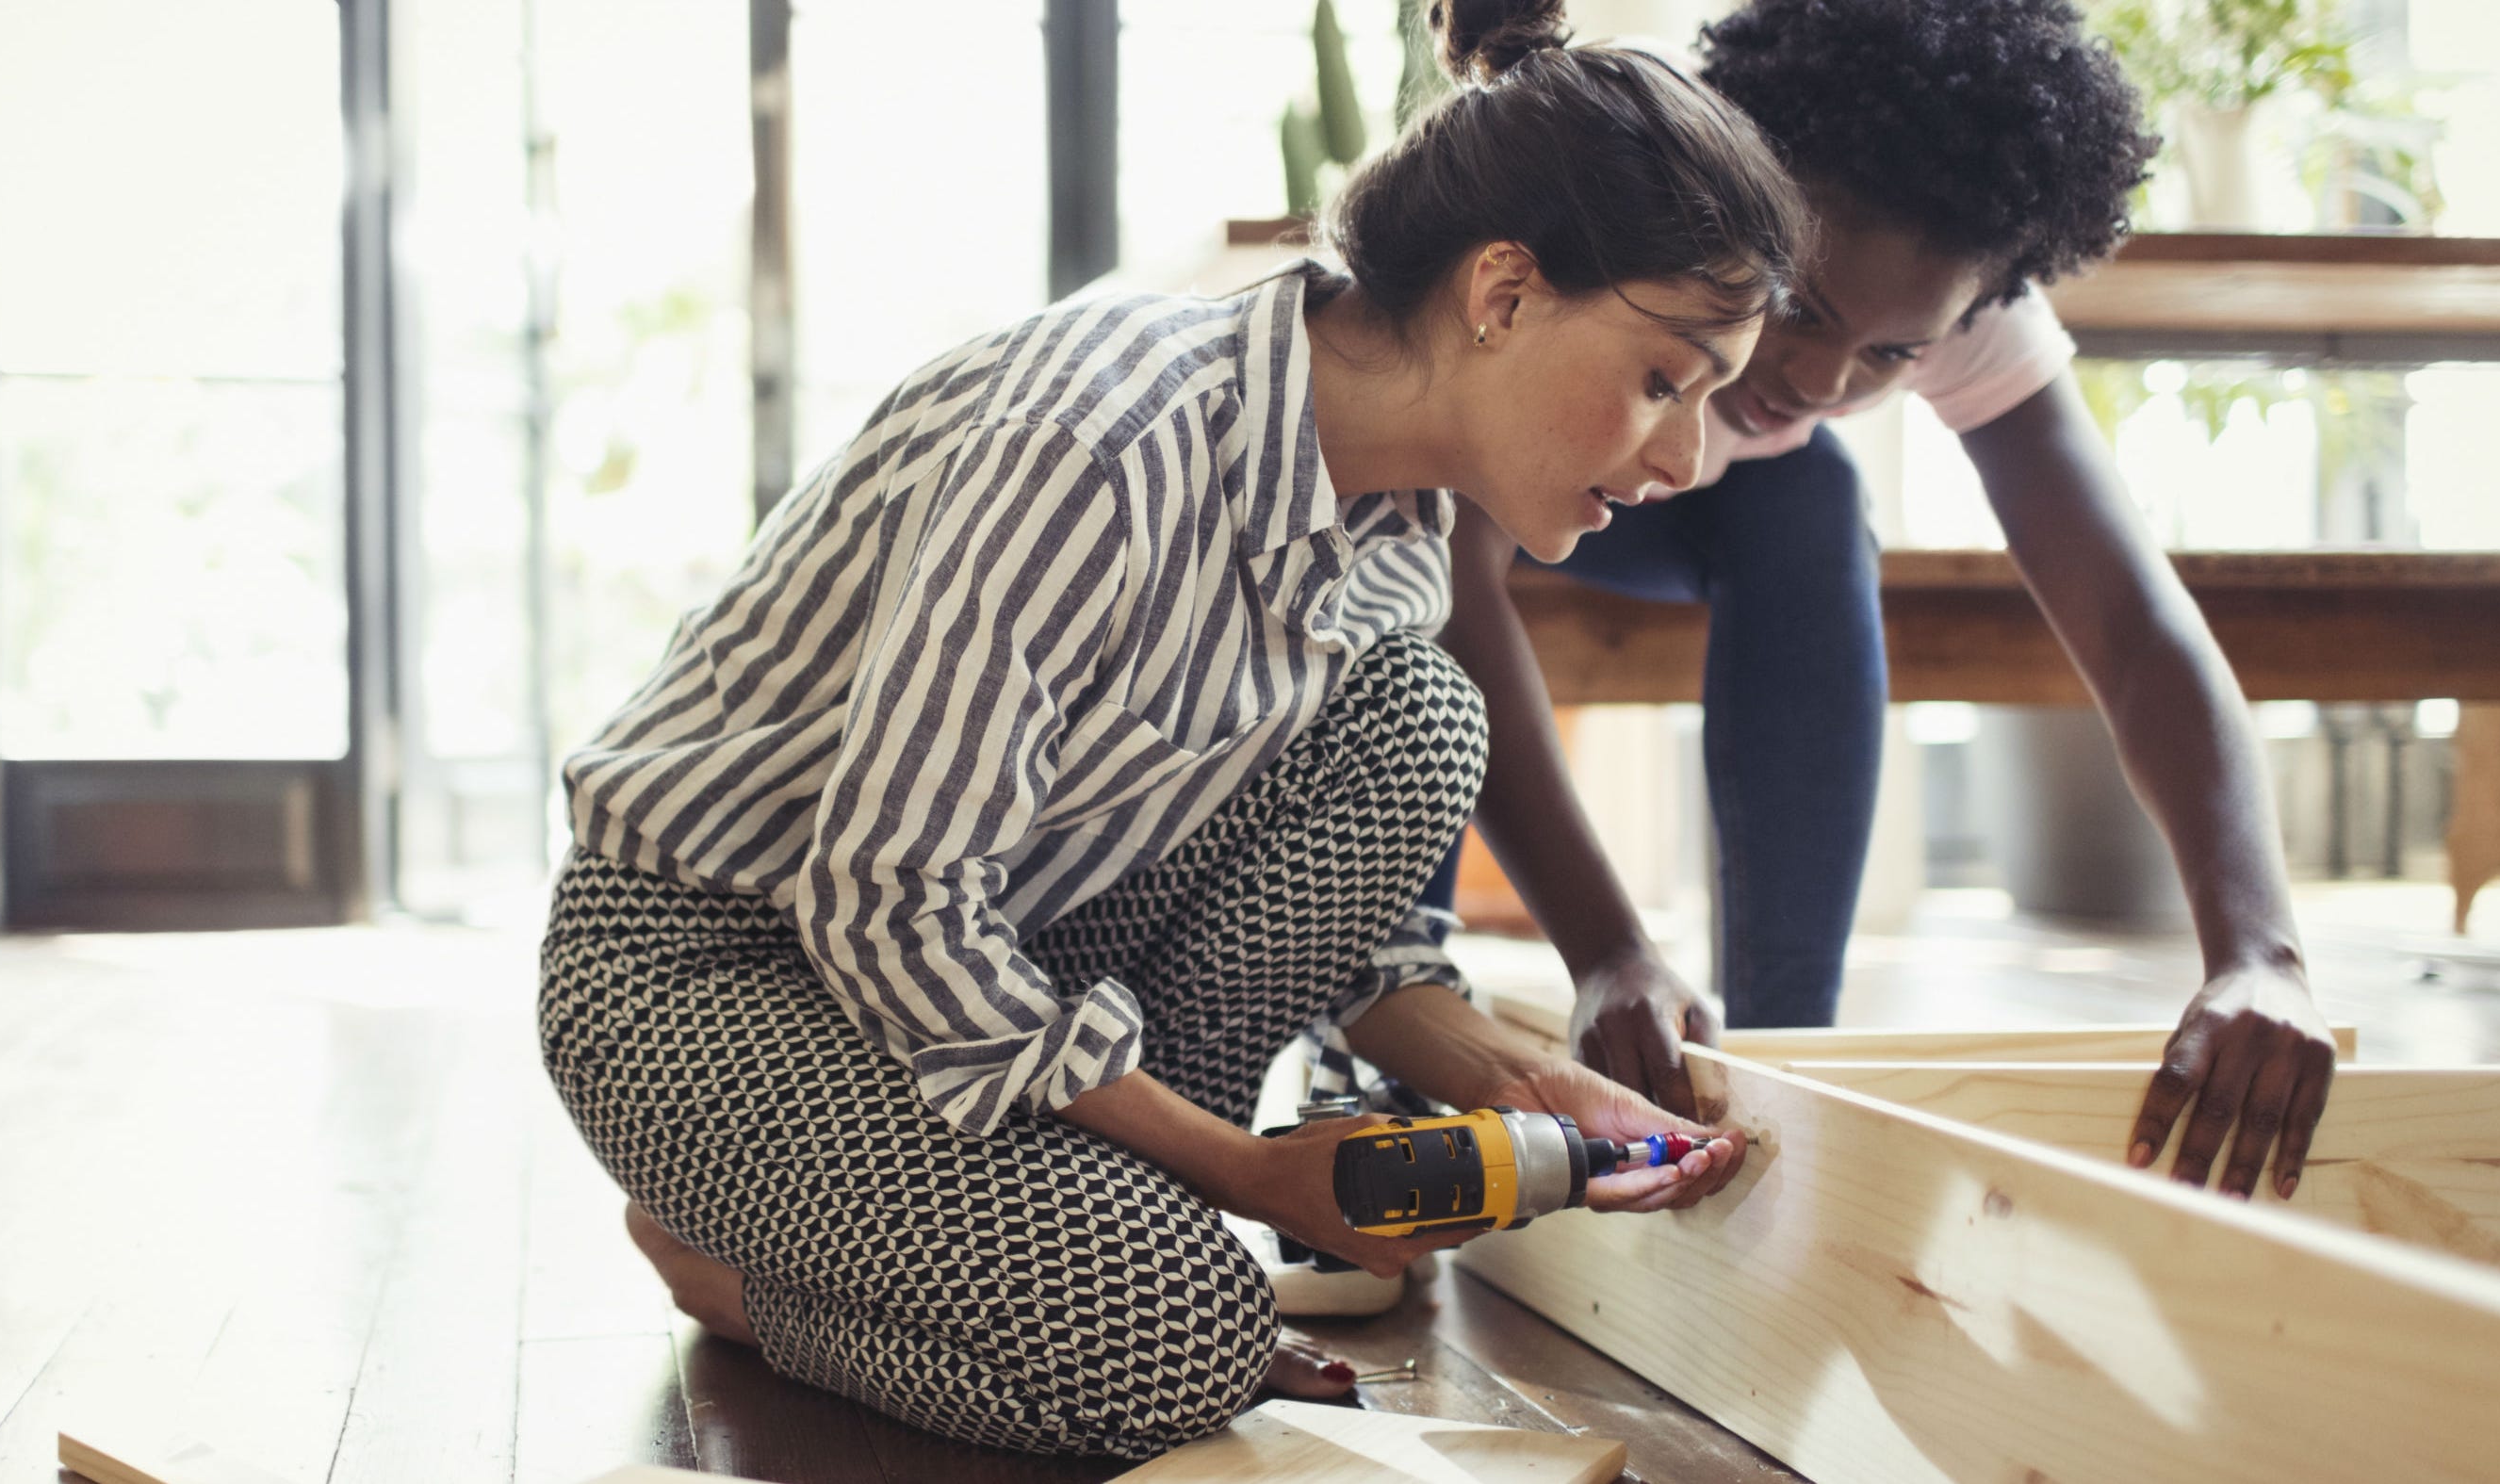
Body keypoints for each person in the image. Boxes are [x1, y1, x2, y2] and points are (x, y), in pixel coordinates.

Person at [537, 2, 1799, 1458]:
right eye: (1665, 382)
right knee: (1180, 1341)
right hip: (710, 967)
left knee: (1421, 718)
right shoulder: (1099, 445)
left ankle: (1032, 1223)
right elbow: (888, 903)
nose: (1687, 457)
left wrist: (1520, 1092)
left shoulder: (1401, 528)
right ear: (1502, 294)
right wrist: (1252, 1175)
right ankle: (735, 1259)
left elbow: (1348, 931)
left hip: (1005, 948)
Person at [1433, 0, 2338, 1204]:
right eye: (1799, 306)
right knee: (1402, 605)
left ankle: (1784, 1048)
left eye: (1892, 357)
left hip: (1682, 500)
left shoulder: (1952, 286)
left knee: (1809, 493)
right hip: (1464, 477)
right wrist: (1607, 953)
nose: (1820, 377)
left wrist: (2261, 957)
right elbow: (1447, 588)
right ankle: (1397, 1008)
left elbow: (2130, 622)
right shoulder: (1634, 169)